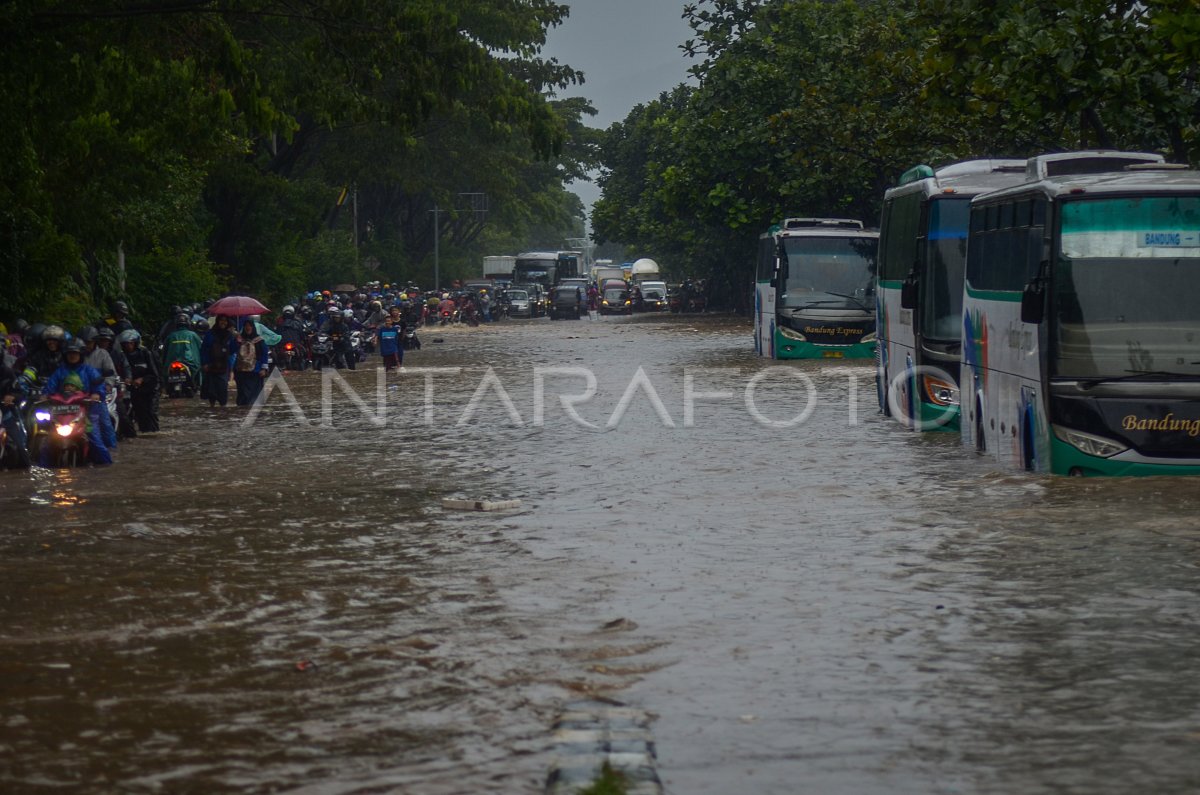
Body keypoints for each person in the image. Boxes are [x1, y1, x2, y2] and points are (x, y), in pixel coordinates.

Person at [41, 340, 112, 465]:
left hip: (86, 409)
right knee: (47, 441)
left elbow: (99, 385)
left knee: (94, 438)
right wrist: (45, 395)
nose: (72, 356)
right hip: (61, 412)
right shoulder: (60, 371)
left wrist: (96, 394)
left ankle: (106, 466)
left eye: (75, 353)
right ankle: (42, 467)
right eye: (69, 354)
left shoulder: (89, 370)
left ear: (80, 355)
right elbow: (50, 387)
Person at [80, 328, 119, 450]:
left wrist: (107, 385)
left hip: (98, 395)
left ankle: (111, 448)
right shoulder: (75, 355)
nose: (87, 345)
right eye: (84, 342)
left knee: (105, 423)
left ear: (95, 342)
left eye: (89, 342)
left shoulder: (103, 354)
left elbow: (111, 374)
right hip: (77, 396)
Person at [118, 329, 161, 433]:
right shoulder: (122, 356)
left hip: (151, 389)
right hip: (133, 390)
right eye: (126, 344)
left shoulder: (145, 353)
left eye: (131, 343)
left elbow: (154, 374)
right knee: (139, 414)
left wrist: (142, 379)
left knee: (151, 412)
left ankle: (154, 433)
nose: (129, 346)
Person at [200, 315, 237, 407]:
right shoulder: (210, 334)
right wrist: (205, 363)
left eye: (225, 321)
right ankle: (212, 406)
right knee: (211, 388)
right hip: (211, 364)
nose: (223, 322)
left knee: (223, 387)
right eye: (221, 320)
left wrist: (236, 340)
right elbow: (204, 349)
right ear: (217, 321)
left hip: (224, 365)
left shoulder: (230, 335)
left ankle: (222, 408)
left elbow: (232, 350)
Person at [233, 319, 268, 406]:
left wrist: (263, 369)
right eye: (246, 326)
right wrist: (236, 341)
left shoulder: (259, 341)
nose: (248, 328)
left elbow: (264, 355)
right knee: (242, 395)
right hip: (241, 371)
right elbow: (231, 350)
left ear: (253, 327)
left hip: (255, 371)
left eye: (250, 326)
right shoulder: (239, 340)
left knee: (254, 395)